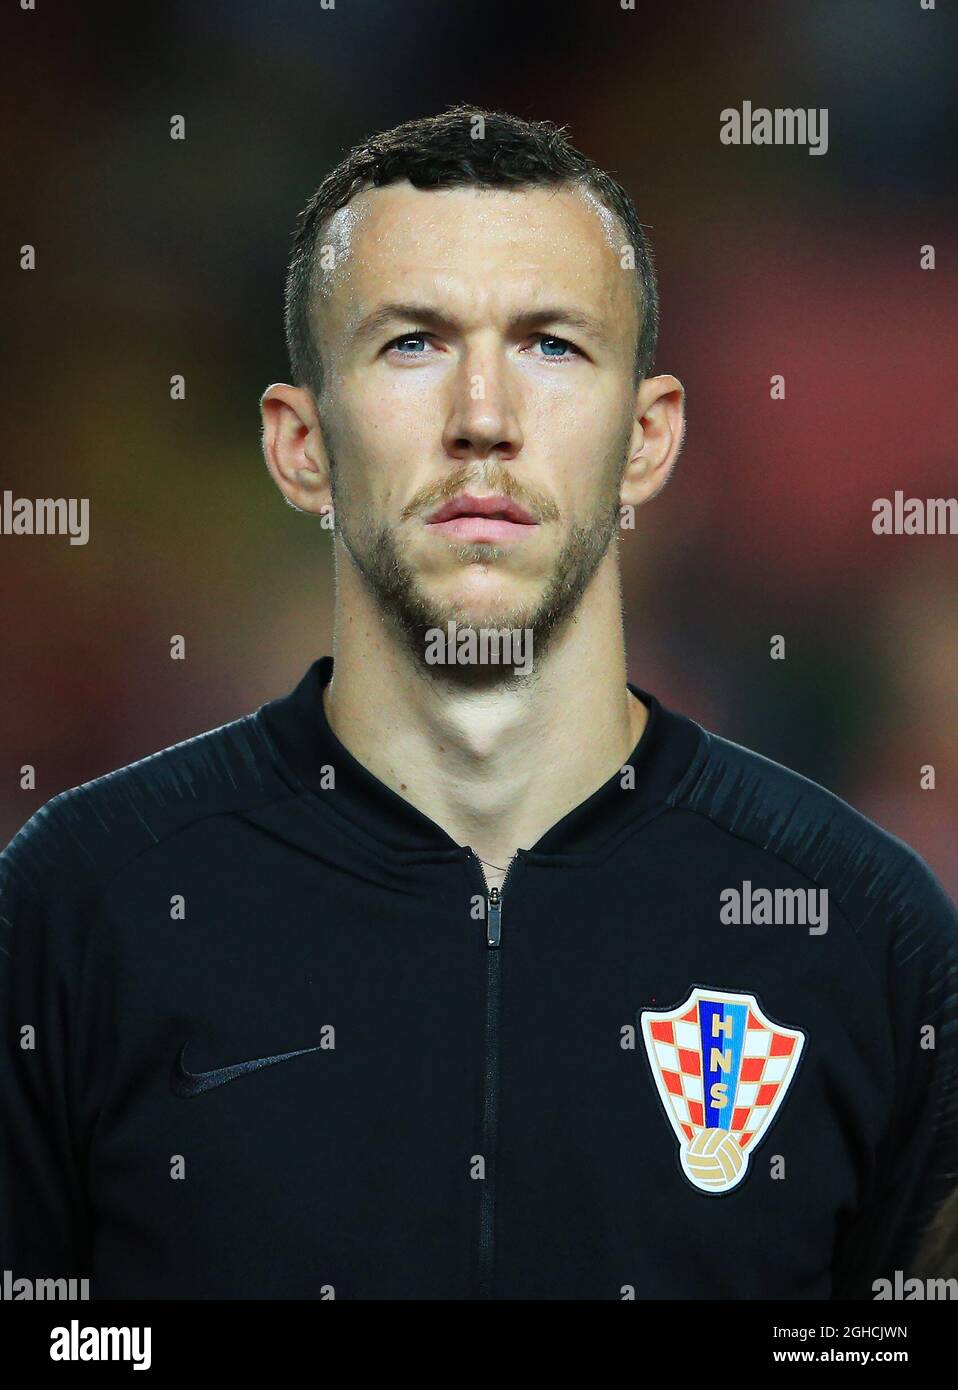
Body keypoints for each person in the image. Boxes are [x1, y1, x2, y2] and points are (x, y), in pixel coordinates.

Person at [2, 106, 956, 1300]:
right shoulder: (84, 902)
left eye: (552, 345)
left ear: (650, 439)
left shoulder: (863, 927)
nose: (484, 419)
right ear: (299, 445)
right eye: (411, 343)